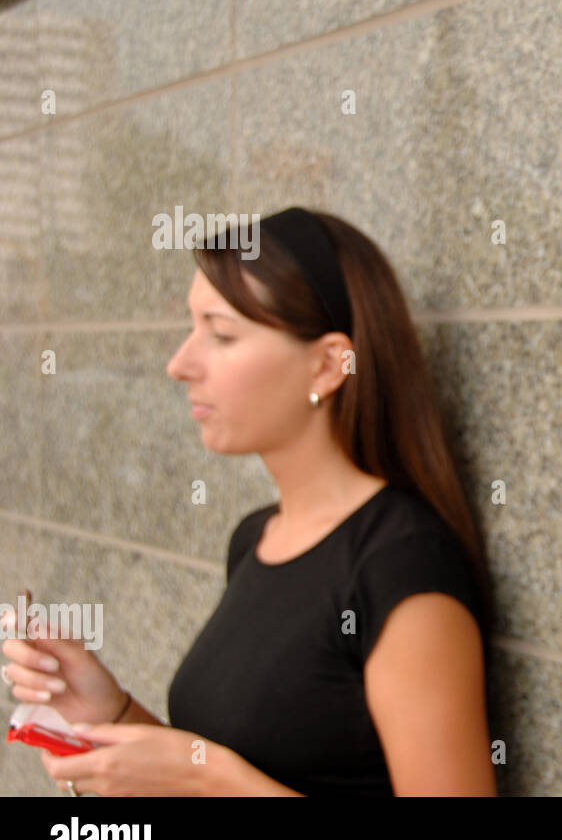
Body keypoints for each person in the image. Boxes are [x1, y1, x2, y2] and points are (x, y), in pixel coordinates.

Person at [1, 207, 496, 795]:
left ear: (328, 364)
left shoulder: (401, 565)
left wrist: (210, 778)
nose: (180, 364)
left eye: (222, 334)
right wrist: (111, 715)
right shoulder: (256, 538)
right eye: (191, 329)